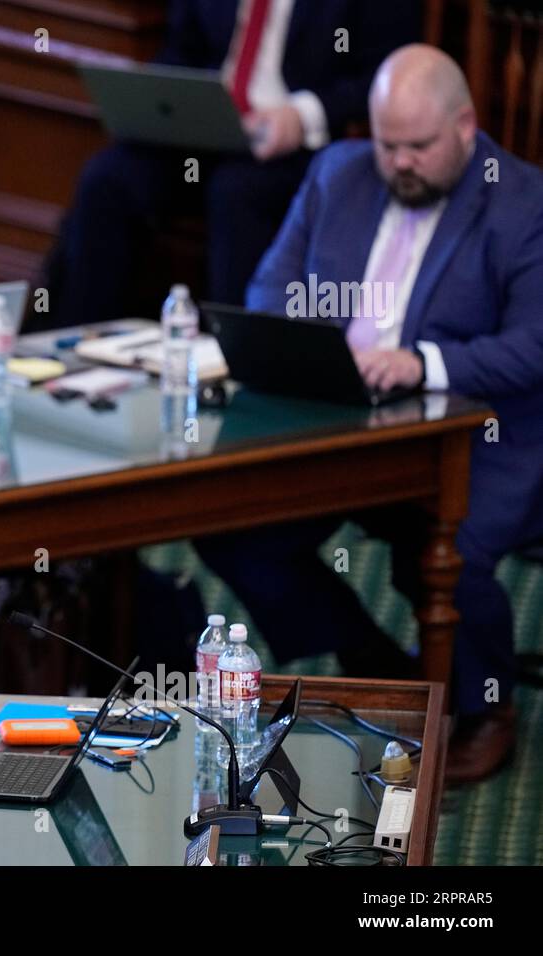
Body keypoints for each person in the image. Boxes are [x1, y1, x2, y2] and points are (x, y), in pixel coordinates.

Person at [194, 45, 543, 784]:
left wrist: (424, 364)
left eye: (418, 146)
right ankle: (375, 660)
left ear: (465, 128)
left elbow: (533, 347)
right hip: (334, 418)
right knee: (228, 523)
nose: (400, 163)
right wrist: (303, 351)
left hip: (472, 431)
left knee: (455, 555)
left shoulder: (521, 202)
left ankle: (487, 709)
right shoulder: (337, 173)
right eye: (388, 145)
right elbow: (270, 290)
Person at [31, 0, 419, 331]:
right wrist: (160, 99)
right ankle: (76, 343)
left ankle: (233, 361)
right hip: (204, 127)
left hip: (297, 144)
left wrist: (303, 115)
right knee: (108, 178)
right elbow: (182, 47)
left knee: (236, 191)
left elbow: (386, 75)